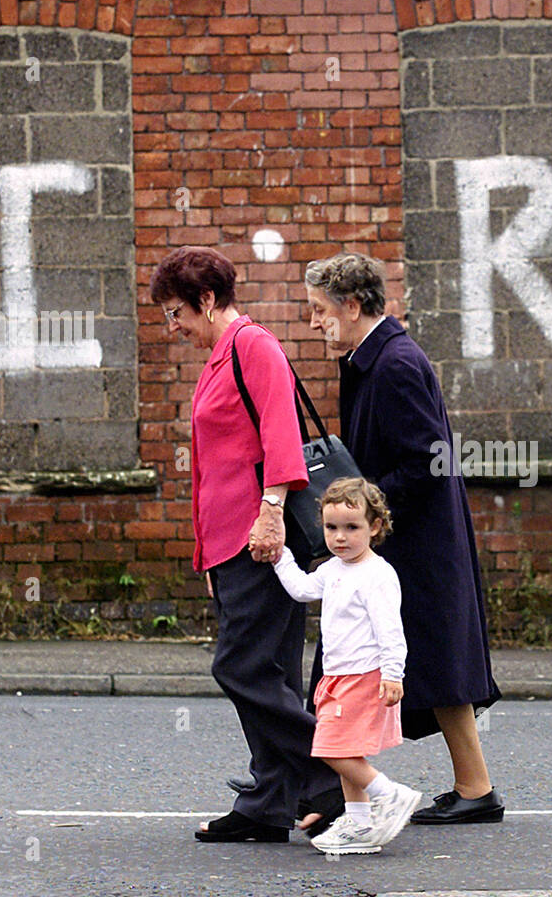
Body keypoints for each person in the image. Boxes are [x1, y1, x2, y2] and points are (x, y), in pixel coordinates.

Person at [149, 245, 343, 843]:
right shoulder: (219, 357)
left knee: (239, 667)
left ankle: (332, 778)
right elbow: (217, 464)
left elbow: (282, 440)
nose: (172, 327)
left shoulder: (253, 347)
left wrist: (269, 517)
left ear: (207, 301)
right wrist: (208, 552)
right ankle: (268, 803)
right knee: (272, 673)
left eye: (176, 312)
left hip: (259, 539)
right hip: (230, 543)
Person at [304, 252, 504, 824]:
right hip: (404, 536)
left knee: (375, 664)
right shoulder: (374, 358)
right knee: (431, 665)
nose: (314, 322)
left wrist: (358, 516)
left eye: (319, 310)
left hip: (414, 542)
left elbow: (426, 462)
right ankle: (472, 787)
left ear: (351, 304)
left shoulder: (393, 364)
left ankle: (336, 796)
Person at [272, 478, 422, 854]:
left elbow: (391, 629)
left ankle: (389, 794)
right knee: (348, 750)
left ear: (375, 527)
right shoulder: (334, 569)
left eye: (352, 527)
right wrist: (280, 558)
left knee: (331, 749)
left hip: (363, 675)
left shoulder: (377, 575)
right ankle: (358, 820)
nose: (340, 537)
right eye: (331, 527)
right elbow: (303, 590)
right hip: (336, 677)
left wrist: (392, 673)